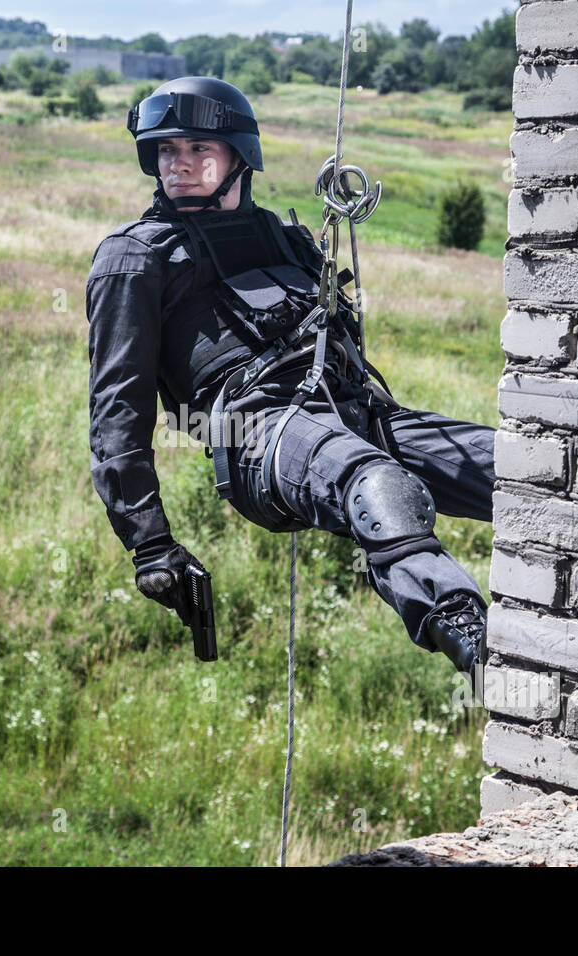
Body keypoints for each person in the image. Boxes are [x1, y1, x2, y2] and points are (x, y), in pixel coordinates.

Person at [85, 76, 497, 684]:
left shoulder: (284, 236)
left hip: (356, 411)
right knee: (375, 482)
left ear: (238, 158)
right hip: (259, 432)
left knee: (517, 467)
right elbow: (117, 411)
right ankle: (481, 643)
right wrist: (150, 543)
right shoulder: (136, 257)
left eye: (199, 150)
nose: (179, 165)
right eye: (167, 151)